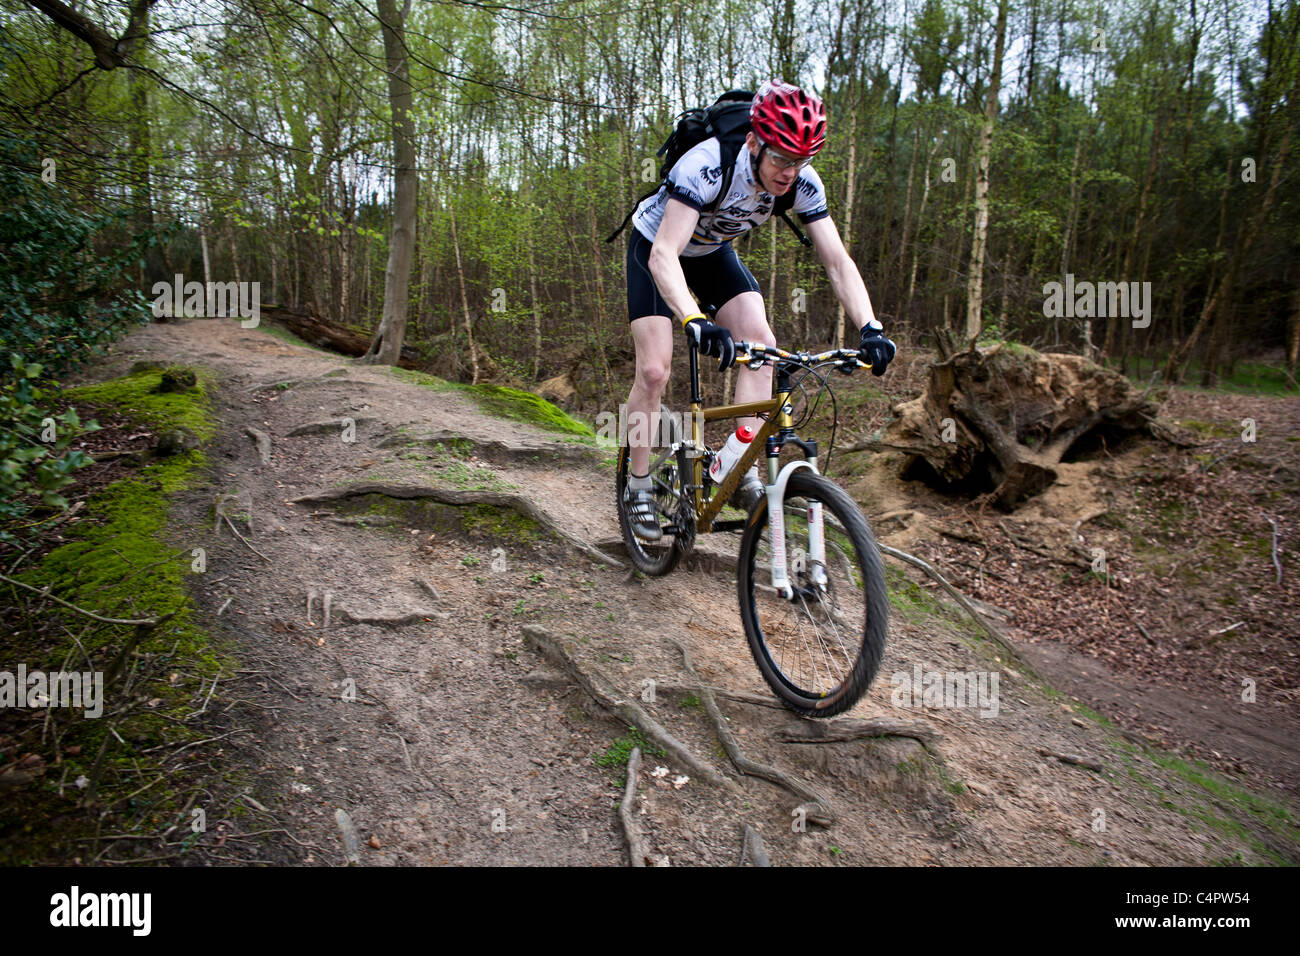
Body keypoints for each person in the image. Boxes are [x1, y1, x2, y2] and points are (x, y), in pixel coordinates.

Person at [621, 80, 897, 540]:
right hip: (657, 247)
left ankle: (732, 467)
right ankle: (638, 484)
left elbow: (836, 260)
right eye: (782, 159)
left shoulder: (801, 182)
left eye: (801, 160)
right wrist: (695, 321)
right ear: (754, 141)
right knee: (654, 371)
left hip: (711, 254)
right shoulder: (707, 165)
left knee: (763, 348)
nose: (790, 172)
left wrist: (870, 327)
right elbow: (664, 255)